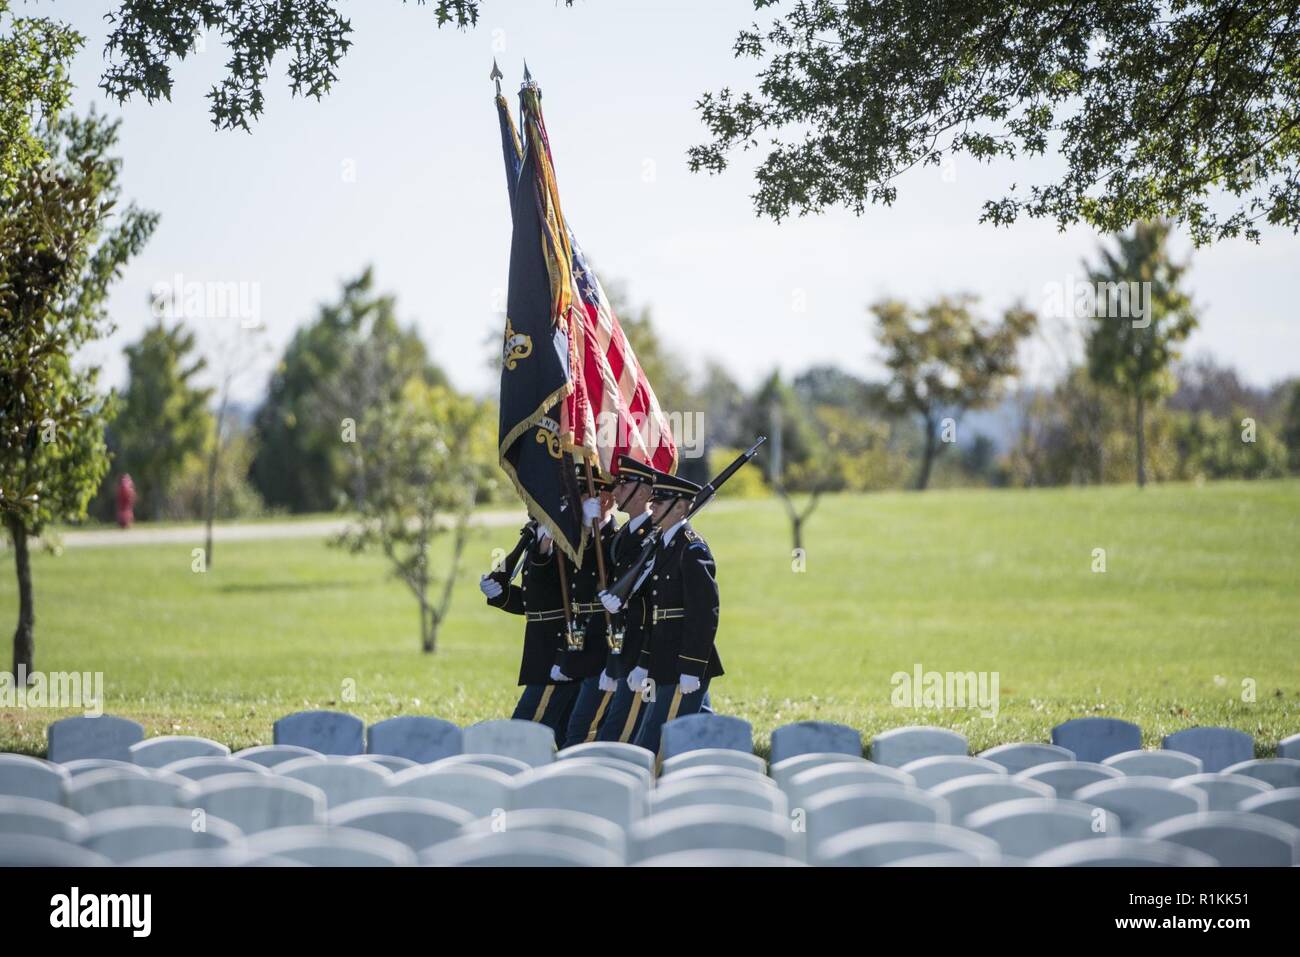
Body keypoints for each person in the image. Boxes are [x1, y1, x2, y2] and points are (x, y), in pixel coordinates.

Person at [620, 470, 723, 757]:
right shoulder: (665, 547)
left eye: (660, 502)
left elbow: (704, 613)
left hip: (682, 663)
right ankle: (729, 768)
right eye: (653, 501)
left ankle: (648, 793)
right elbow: (657, 615)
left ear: (680, 507)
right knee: (701, 732)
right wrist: (644, 661)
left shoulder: (691, 548)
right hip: (664, 661)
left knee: (655, 739)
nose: (652, 508)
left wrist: (692, 666)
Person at [480, 522, 580, 744]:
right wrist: (500, 595)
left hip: (557, 650)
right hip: (540, 648)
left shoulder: (566, 538)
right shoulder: (533, 534)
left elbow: (567, 601)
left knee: (524, 731)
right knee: (566, 737)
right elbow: (535, 602)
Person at [594, 454, 658, 743]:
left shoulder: (654, 535)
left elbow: (653, 603)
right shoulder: (622, 537)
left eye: (622, 485)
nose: (615, 492)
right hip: (623, 648)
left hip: (643, 649)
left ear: (643, 492)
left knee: (620, 736)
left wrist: (642, 660)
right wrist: (612, 663)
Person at [557, 465, 620, 747]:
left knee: (584, 725)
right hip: (578, 641)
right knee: (568, 722)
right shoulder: (576, 536)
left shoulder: (619, 538)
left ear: (606, 498)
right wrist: (583, 527)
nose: (581, 499)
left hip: (605, 642)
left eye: (586, 492)